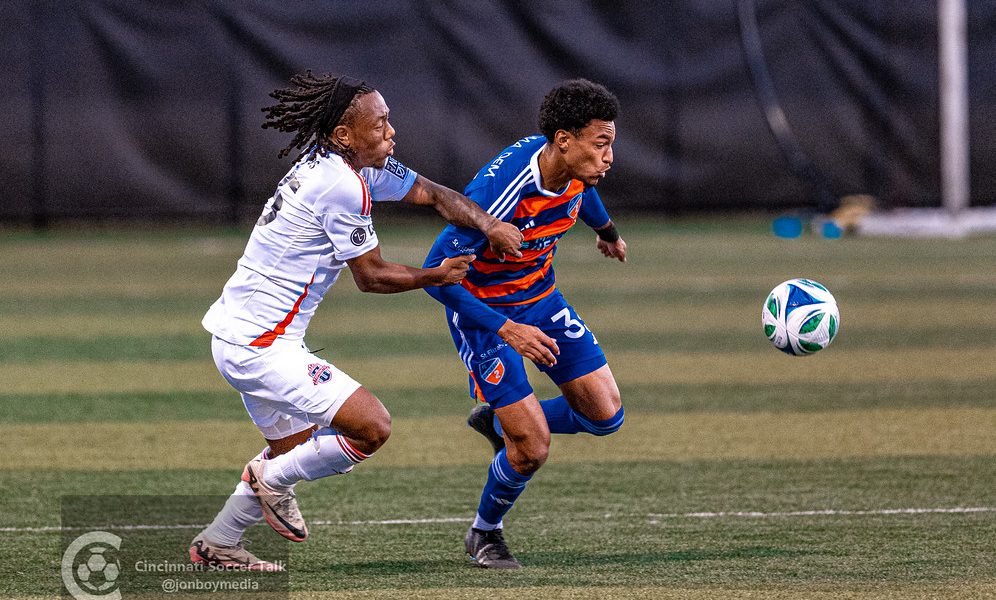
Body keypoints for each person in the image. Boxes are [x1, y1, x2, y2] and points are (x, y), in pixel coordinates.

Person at [189, 71, 524, 571]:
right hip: (263, 346)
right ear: (344, 135)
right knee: (371, 427)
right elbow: (372, 276)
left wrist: (488, 223)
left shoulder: (346, 165)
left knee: (294, 452)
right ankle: (269, 481)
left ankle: (218, 543)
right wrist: (438, 274)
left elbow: (433, 194)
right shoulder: (341, 185)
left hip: (237, 336)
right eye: (381, 123)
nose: (392, 132)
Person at [421, 78, 627, 568]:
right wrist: (505, 329)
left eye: (610, 144)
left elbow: (583, 190)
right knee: (533, 448)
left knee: (605, 414)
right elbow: (435, 278)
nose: (609, 157)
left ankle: (497, 420)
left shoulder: (574, 169)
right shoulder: (497, 194)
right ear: (563, 140)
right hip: (484, 315)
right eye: (601, 145)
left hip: (541, 299)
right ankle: (484, 533)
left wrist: (606, 231)